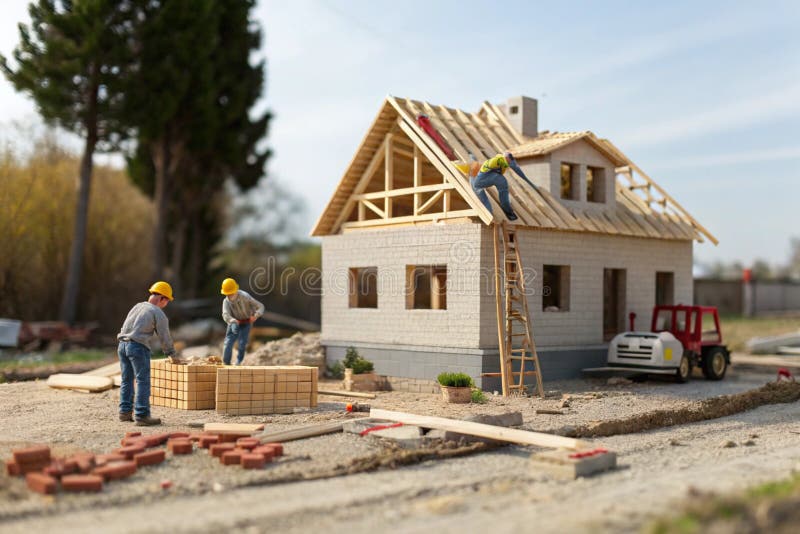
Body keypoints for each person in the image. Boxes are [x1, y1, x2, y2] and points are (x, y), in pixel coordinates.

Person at [117, 281, 177, 426]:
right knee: (143, 381)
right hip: (137, 347)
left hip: (122, 345)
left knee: (126, 380)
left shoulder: (137, 306)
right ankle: (142, 415)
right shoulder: (158, 313)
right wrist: (171, 354)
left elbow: (126, 326)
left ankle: (124, 413)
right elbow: (164, 336)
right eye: (167, 300)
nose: (166, 304)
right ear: (162, 298)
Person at [471, 151, 537, 221]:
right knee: (499, 181)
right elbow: (486, 172)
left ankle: (507, 209)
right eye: (508, 162)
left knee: (502, 183)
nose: (509, 164)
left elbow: (517, 170)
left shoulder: (506, 163)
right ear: (505, 158)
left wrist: (530, 183)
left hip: (489, 179)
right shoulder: (495, 161)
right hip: (479, 181)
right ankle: (490, 215)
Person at [220, 277, 265, 366]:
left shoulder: (245, 297)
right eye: (227, 294)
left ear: (236, 291)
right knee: (228, 342)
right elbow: (225, 314)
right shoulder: (226, 301)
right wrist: (232, 321)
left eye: (231, 293)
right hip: (233, 323)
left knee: (242, 343)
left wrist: (256, 315)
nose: (229, 296)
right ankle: (226, 363)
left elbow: (260, 306)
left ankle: (238, 362)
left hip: (246, 322)